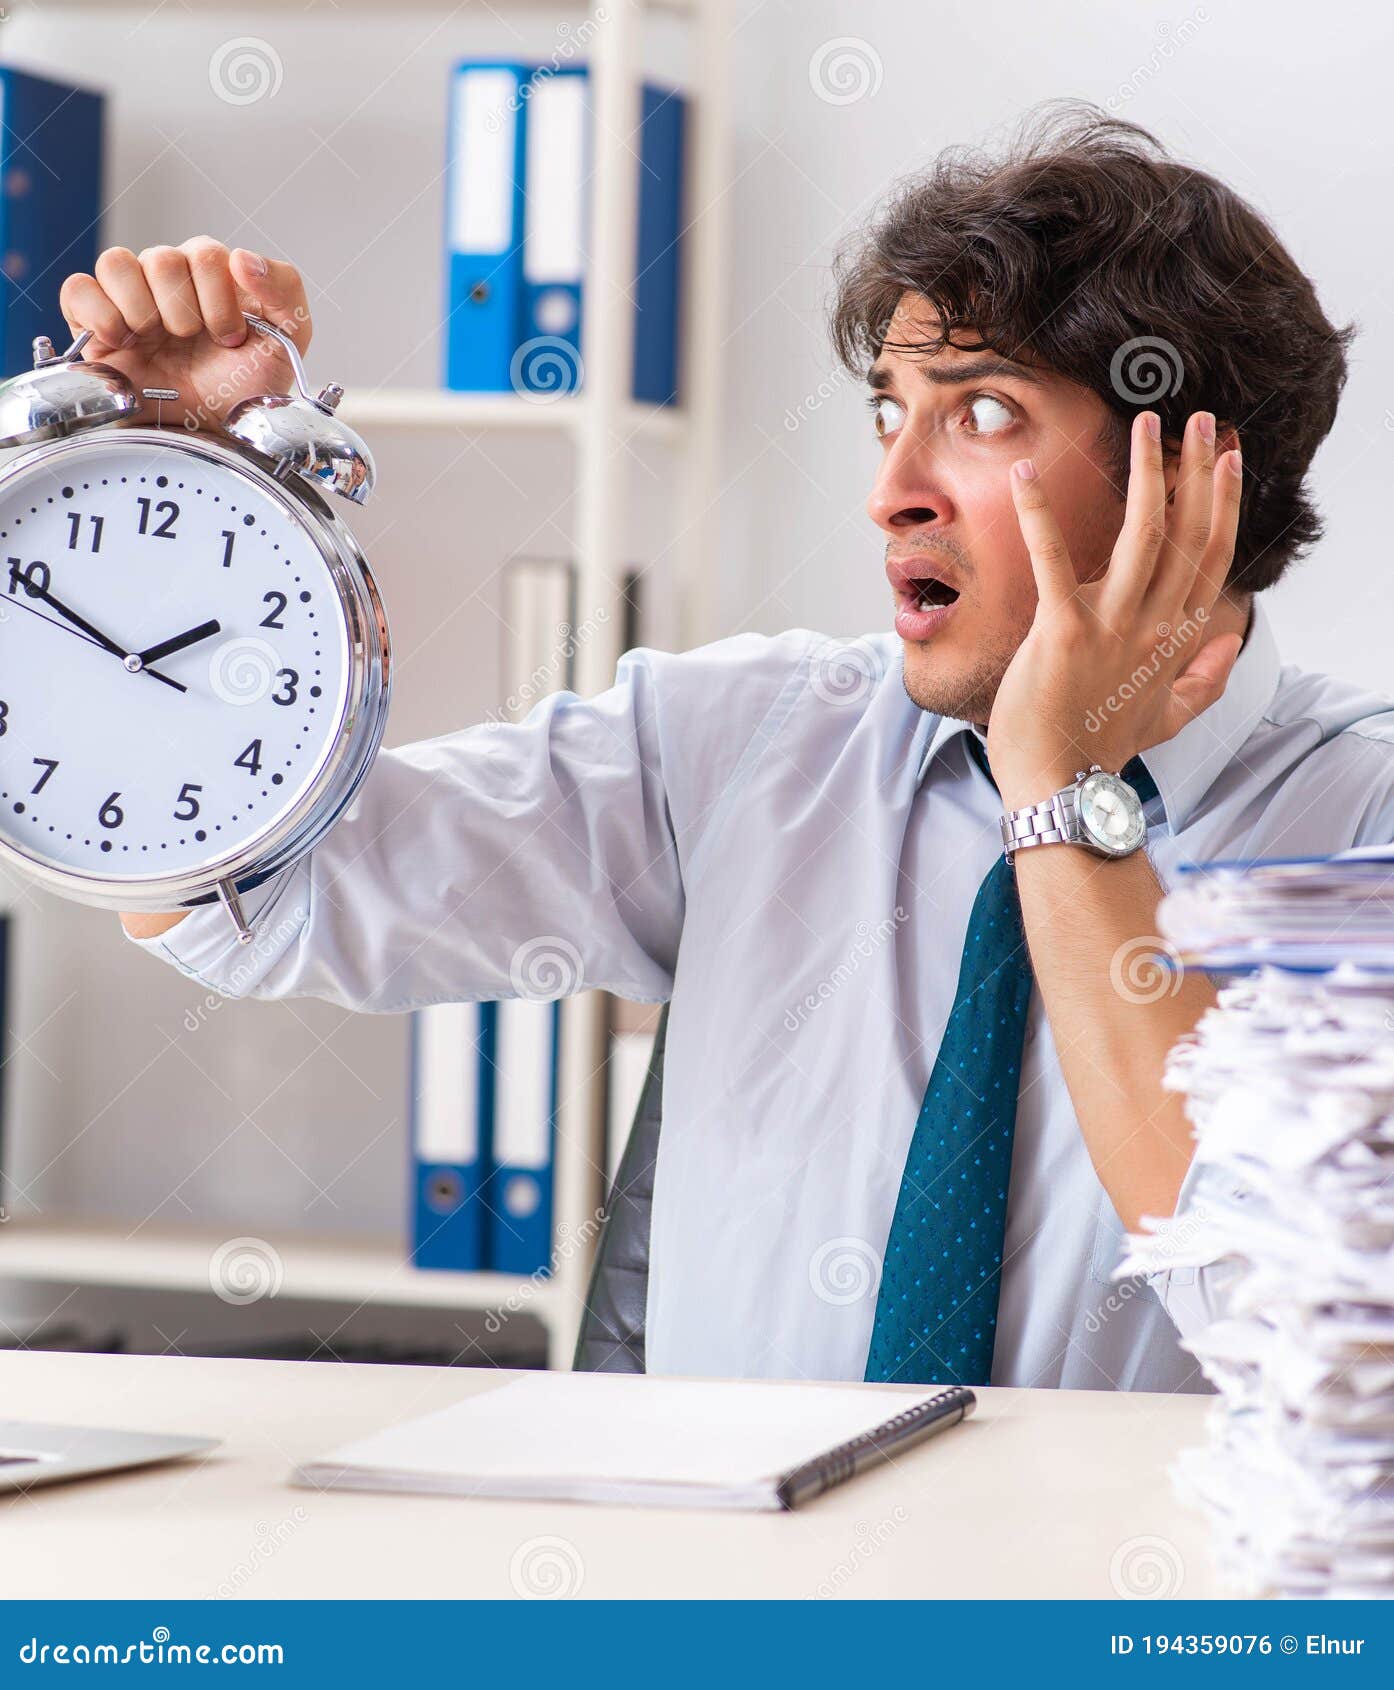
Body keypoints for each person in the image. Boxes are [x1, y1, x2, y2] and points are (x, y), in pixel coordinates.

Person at [83, 102, 1391, 1392]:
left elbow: (1298, 1316)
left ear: (1192, 475)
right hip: (717, 1597)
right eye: (890, 410)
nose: (892, 490)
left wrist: (1056, 789)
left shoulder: (1362, 825)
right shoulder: (739, 742)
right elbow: (254, 895)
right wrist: (194, 501)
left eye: (981, 413)